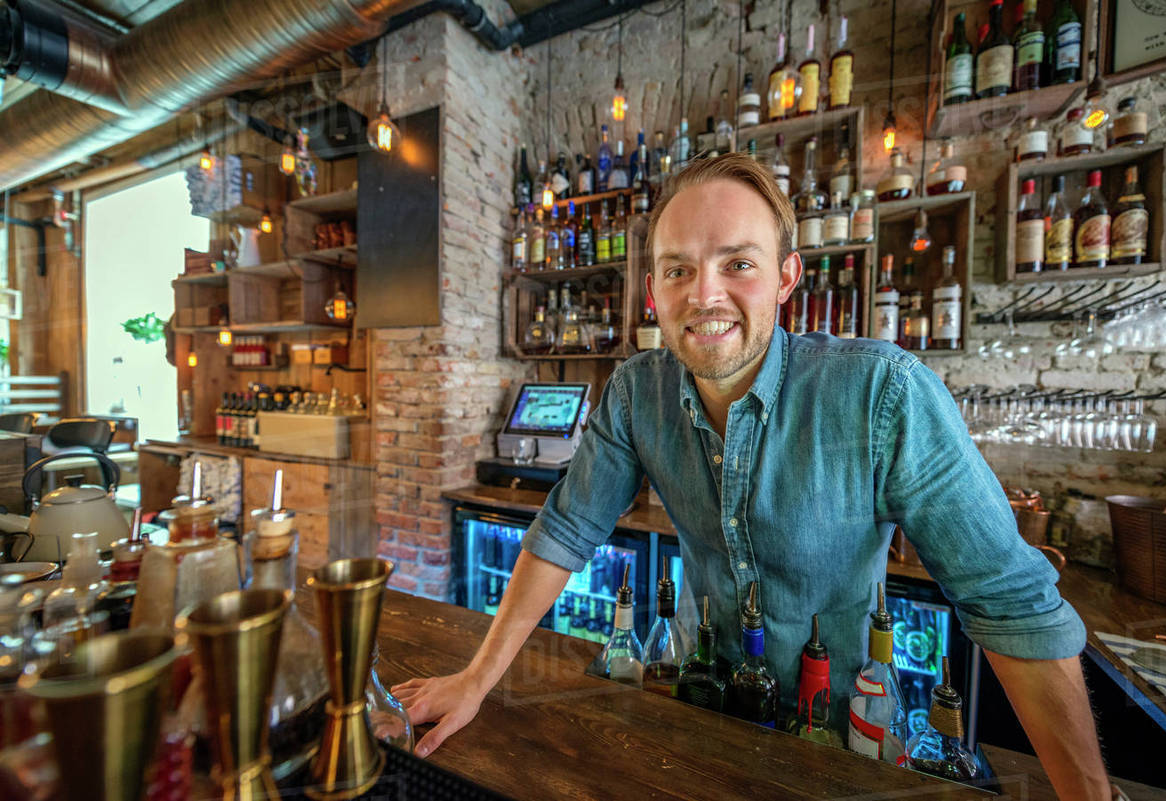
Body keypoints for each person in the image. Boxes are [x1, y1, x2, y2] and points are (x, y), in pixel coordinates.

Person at [393, 153, 1117, 800]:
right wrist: (476, 678)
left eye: (737, 263)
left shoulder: (882, 393)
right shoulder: (636, 392)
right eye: (678, 268)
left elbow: (1011, 601)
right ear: (653, 291)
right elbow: (566, 528)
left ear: (786, 279)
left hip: (844, 735)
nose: (703, 294)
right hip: (698, 712)